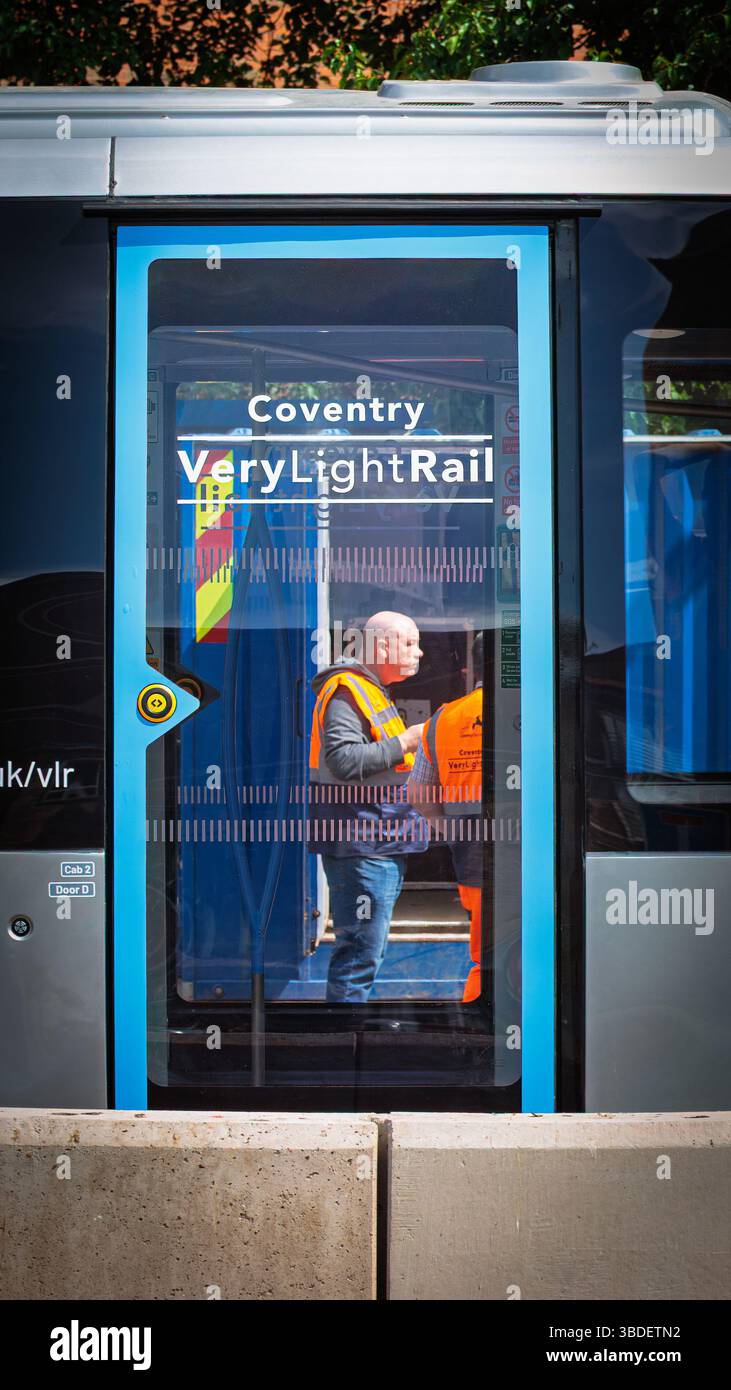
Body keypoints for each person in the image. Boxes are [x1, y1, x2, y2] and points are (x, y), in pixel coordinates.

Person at [308, 611, 428, 1003]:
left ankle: (347, 1042)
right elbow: (344, 760)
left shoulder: (370, 691)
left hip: (378, 842)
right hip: (363, 845)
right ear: (379, 646)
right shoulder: (347, 691)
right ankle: (342, 1048)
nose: (419, 652)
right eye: (409, 643)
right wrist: (408, 742)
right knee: (359, 956)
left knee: (364, 953)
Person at [407, 633, 485, 1005]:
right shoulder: (539, 712)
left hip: (473, 861)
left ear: (471, 671)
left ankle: (485, 1027)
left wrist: (454, 830)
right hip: (535, 861)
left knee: (485, 956)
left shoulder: (444, 719)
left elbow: (419, 795)